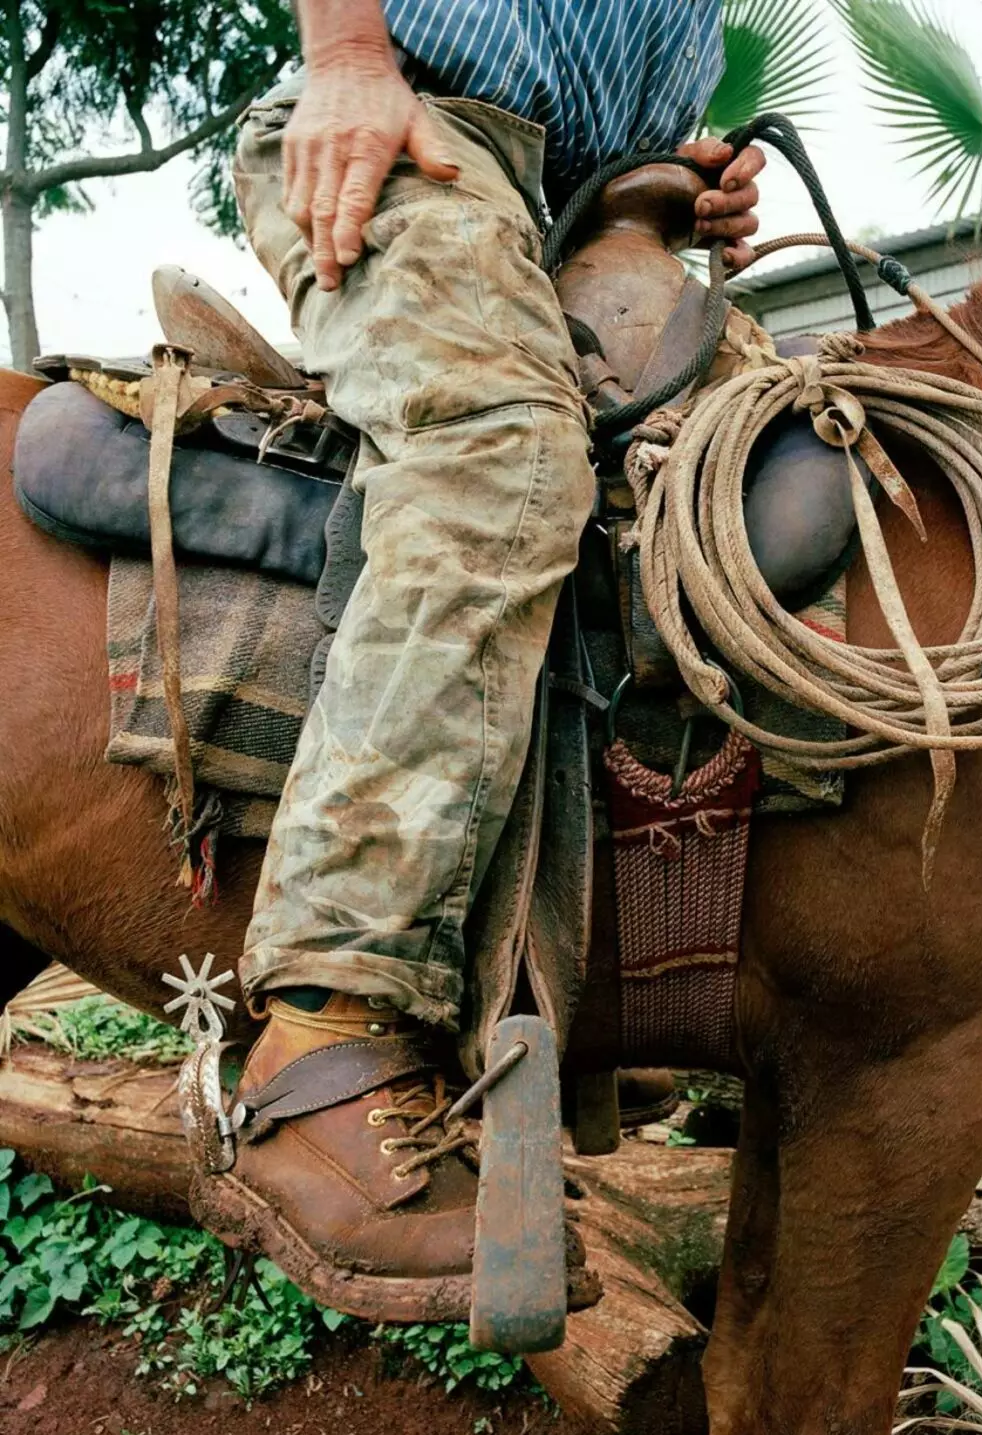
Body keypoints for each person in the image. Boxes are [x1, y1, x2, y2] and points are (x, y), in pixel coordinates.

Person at [205, 0, 766, 1305]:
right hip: (416, 136)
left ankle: (657, 988)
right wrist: (345, 51)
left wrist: (686, 171)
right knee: (499, 457)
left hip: (600, 211)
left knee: (760, 481)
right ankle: (321, 1037)